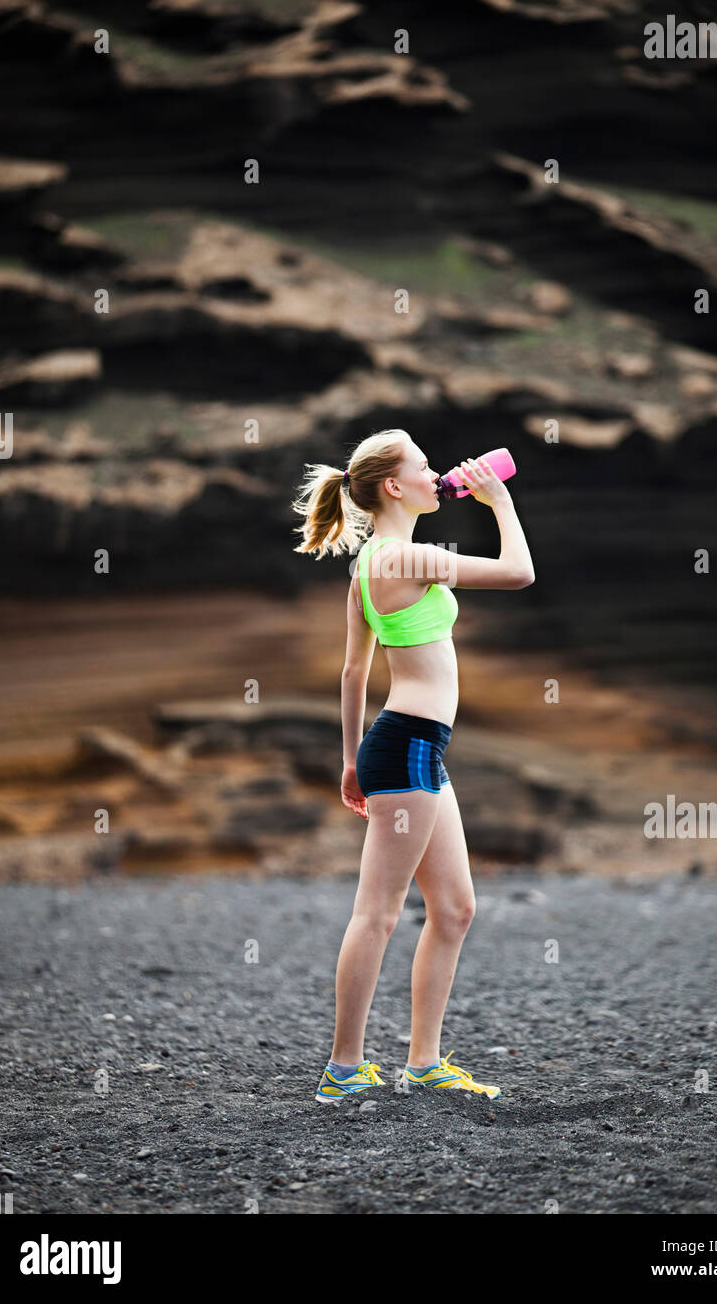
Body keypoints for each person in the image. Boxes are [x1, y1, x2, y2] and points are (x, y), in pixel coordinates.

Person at [292, 428, 534, 1104]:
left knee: (454, 909)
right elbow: (519, 572)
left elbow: (351, 672)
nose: (439, 477)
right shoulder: (404, 557)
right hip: (407, 744)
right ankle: (343, 1068)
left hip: (409, 746)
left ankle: (423, 1062)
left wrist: (349, 761)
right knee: (379, 913)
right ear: (394, 486)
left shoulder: (370, 563)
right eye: (425, 468)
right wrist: (499, 502)